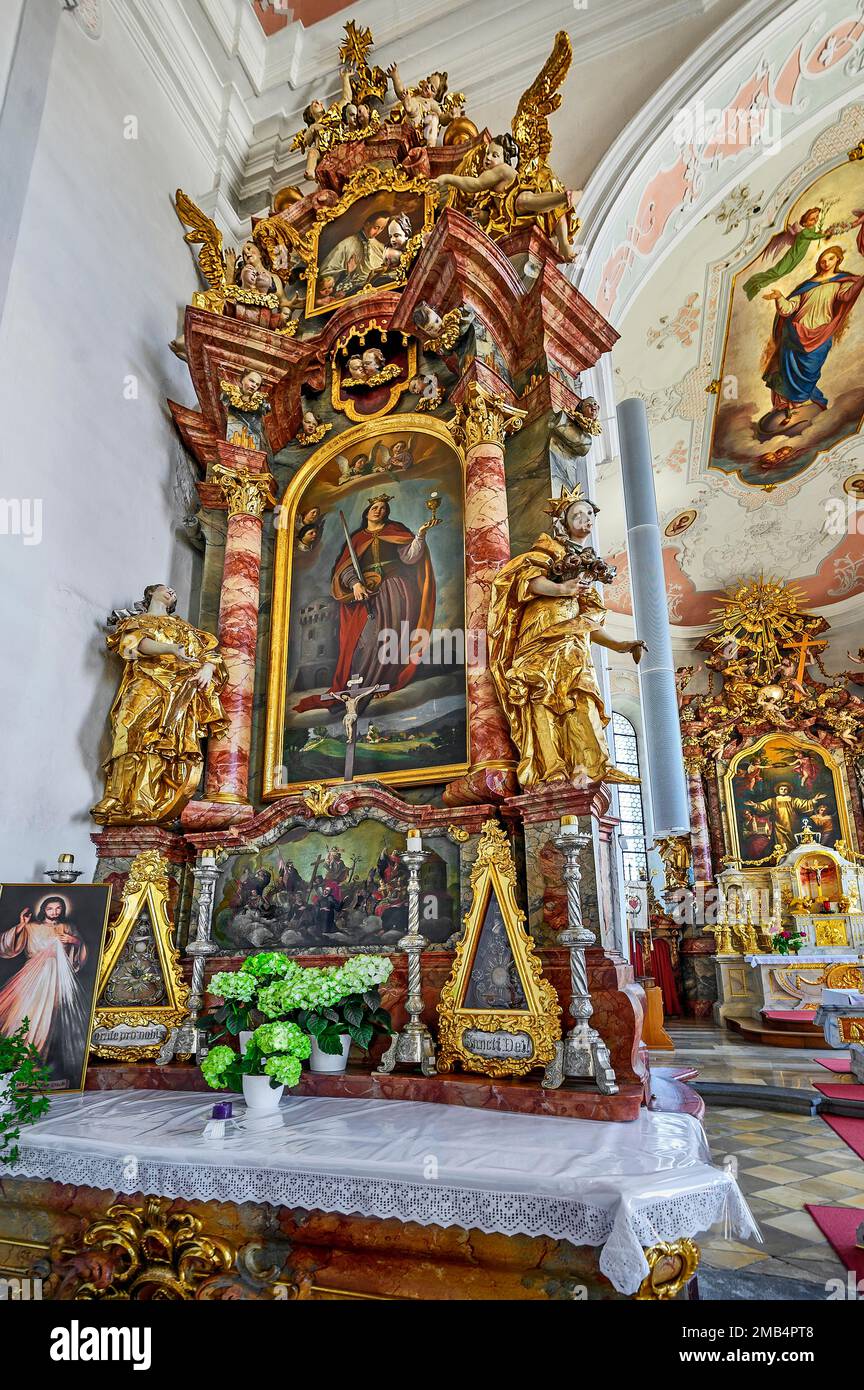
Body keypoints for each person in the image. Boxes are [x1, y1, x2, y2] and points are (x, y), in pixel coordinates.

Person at [488, 492, 646, 787]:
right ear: (562, 523)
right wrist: (563, 590)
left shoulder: (587, 565)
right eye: (577, 515)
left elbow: (589, 621)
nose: (585, 520)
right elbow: (528, 581)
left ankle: (591, 764)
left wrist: (621, 645)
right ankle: (552, 768)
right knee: (541, 695)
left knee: (581, 693)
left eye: (589, 514)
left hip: (573, 639)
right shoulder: (547, 549)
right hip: (541, 630)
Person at [91, 584, 227, 825]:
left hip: (177, 688)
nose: (172, 592)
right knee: (129, 730)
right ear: (150, 593)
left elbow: (209, 653)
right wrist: (171, 649)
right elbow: (131, 647)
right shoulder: (137, 621)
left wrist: (207, 669)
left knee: (158, 741)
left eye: (175, 591)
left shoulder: (183, 627)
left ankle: (144, 800)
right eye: (166, 588)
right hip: (145, 682)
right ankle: (118, 796)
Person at [295, 495, 439, 711]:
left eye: (383, 508)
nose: (378, 510)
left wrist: (420, 536)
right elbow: (343, 570)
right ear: (367, 512)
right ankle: (360, 686)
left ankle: (385, 682)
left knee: (394, 635)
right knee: (366, 640)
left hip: (395, 589)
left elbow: (410, 557)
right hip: (368, 591)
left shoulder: (396, 530)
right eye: (374, 507)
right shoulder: (356, 539)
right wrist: (355, 584)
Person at [761, 245, 864, 424]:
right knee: (788, 373)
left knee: (810, 371)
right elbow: (788, 309)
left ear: (838, 260)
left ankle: (801, 404)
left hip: (821, 334)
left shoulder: (841, 283)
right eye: (823, 260)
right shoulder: (807, 286)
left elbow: (846, 297)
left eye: (830, 258)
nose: (826, 263)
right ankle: (792, 407)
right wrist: (779, 297)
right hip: (794, 334)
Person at [0, 897, 88, 1080]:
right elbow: (8, 945)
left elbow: (79, 954)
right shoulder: (31, 927)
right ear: (43, 909)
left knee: (48, 1018)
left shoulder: (67, 928)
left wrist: (75, 941)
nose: (54, 912)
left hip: (56, 977)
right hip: (32, 977)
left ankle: (36, 1061)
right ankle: (17, 1059)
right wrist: (21, 925)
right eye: (50, 908)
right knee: (24, 1014)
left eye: (58, 908)